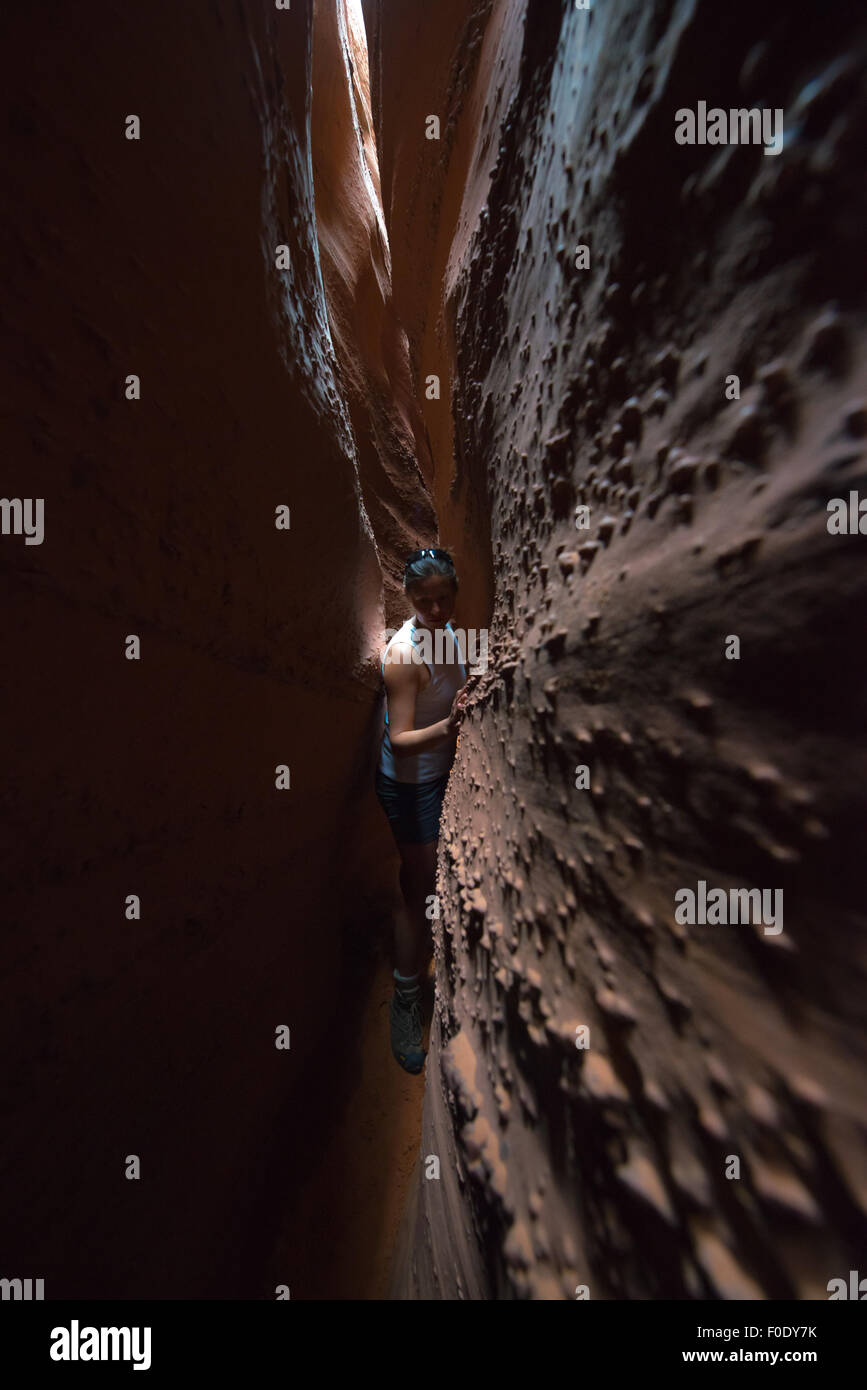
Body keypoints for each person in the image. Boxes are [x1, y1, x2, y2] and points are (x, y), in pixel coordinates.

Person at [375, 548, 469, 1073]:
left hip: (436, 774)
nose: (435, 610)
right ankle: (406, 998)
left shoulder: (451, 632)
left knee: (426, 883)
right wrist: (450, 728)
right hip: (410, 784)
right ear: (408, 598)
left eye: (444, 598)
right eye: (424, 601)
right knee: (419, 890)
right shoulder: (404, 655)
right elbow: (403, 738)